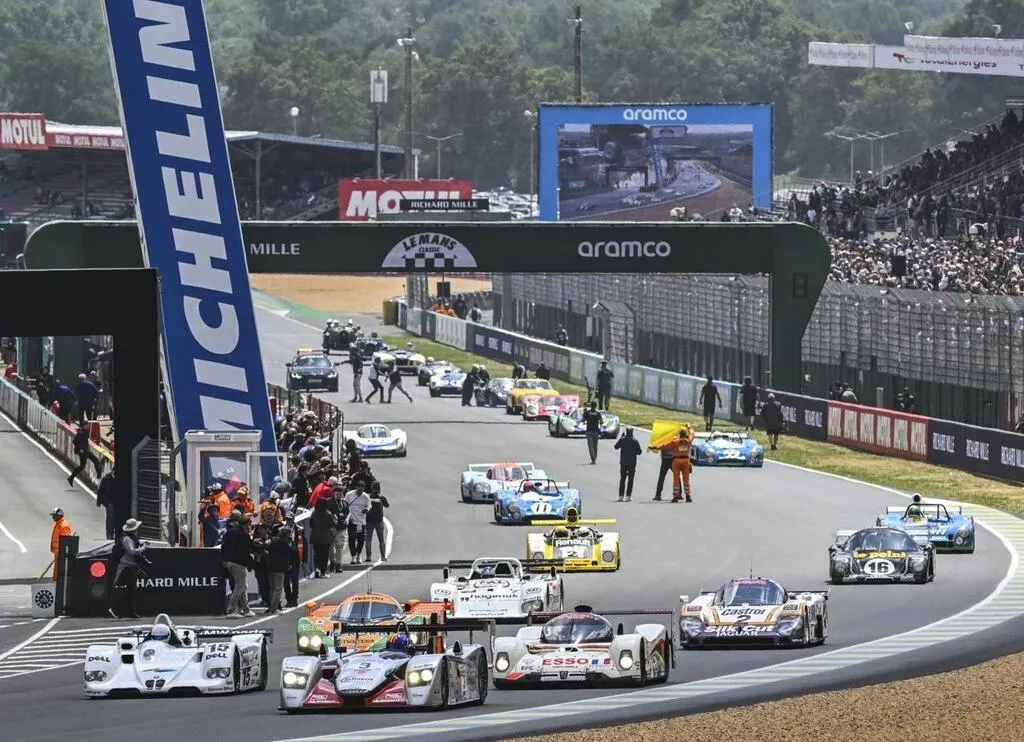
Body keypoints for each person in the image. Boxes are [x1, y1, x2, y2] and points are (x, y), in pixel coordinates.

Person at [110, 518, 147, 619]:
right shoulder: (127, 539)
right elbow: (132, 551)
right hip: (127, 566)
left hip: (131, 566)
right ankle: (116, 608)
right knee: (130, 589)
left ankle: (130, 612)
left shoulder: (131, 538)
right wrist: (143, 548)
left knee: (131, 589)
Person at [221, 512, 255, 617]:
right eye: (249, 524)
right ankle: (231, 610)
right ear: (246, 524)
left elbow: (224, 546)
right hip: (238, 563)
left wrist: (224, 561)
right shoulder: (244, 535)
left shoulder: (230, 532)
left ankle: (246, 609)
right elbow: (250, 548)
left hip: (229, 562)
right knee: (240, 586)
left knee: (243, 586)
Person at [657, 426, 694, 502]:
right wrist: (689, 427)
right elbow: (692, 434)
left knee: (676, 479)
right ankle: (688, 496)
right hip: (686, 461)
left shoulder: (675, 442)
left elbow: (665, 446)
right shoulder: (688, 441)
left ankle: (675, 496)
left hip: (676, 461)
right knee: (686, 480)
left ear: (679, 434)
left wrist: (656, 447)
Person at [263, 524, 291, 614]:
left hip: (270, 567)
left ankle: (271, 606)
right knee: (278, 589)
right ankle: (273, 608)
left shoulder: (274, 541)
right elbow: (292, 550)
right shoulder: (284, 543)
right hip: (279, 568)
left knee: (272, 588)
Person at [344, 482, 371, 564]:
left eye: (362, 489)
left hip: (361, 521)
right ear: (356, 487)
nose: (360, 491)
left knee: (361, 540)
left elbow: (369, 506)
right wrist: (347, 517)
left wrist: (367, 510)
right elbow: (345, 505)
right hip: (352, 520)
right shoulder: (349, 494)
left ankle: (359, 555)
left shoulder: (365, 496)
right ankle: (353, 557)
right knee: (351, 539)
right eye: (359, 489)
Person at [309, 498, 337, 578]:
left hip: (315, 536)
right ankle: (323, 572)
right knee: (324, 555)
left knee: (316, 554)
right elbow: (333, 524)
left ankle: (316, 569)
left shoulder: (314, 513)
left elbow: (311, 524)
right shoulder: (328, 514)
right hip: (325, 537)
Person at [614, 427, 642, 501]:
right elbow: (639, 452)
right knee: (630, 479)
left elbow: (616, 447)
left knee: (622, 479)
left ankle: (620, 496)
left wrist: (621, 438)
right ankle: (628, 496)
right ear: (632, 432)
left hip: (623, 462)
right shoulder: (635, 441)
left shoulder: (622, 439)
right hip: (632, 463)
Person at [365, 483, 389, 562]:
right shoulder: (381, 498)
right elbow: (387, 505)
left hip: (369, 521)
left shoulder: (368, 497)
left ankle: (368, 556)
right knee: (381, 540)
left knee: (368, 540)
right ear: (379, 489)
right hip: (379, 521)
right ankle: (383, 556)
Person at [49, 508, 73, 581]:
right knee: (56, 569)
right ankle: (55, 582)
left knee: (59, 570)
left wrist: (61, 551)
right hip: (58, 552)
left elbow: (65, 541)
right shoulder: (58, 524)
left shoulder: (63, 526)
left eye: (54, 515)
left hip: (61, 553)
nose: (53, 517)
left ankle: (57, 583)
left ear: (59, 516)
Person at [96, 470, 116, 539]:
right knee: (110, 517)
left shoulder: (119, 479)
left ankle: (113, 533)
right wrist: (99, 501)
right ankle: (109, 534)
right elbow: (100, 490)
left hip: (116, 501)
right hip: (108, 501)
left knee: (115, 518)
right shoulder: (106, 478)